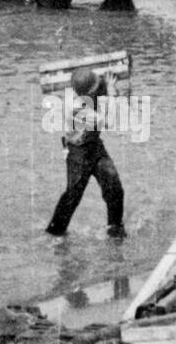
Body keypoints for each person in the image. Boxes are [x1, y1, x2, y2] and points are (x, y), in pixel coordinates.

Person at [45, 68, 124, 238]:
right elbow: (109, 122)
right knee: (73, 195)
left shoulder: (87, 91)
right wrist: (111, 92)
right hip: (78, 152)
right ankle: (54, 234)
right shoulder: (75, 107)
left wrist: (114, 88)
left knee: (114, 188)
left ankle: (115, 230)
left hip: (95, 146)